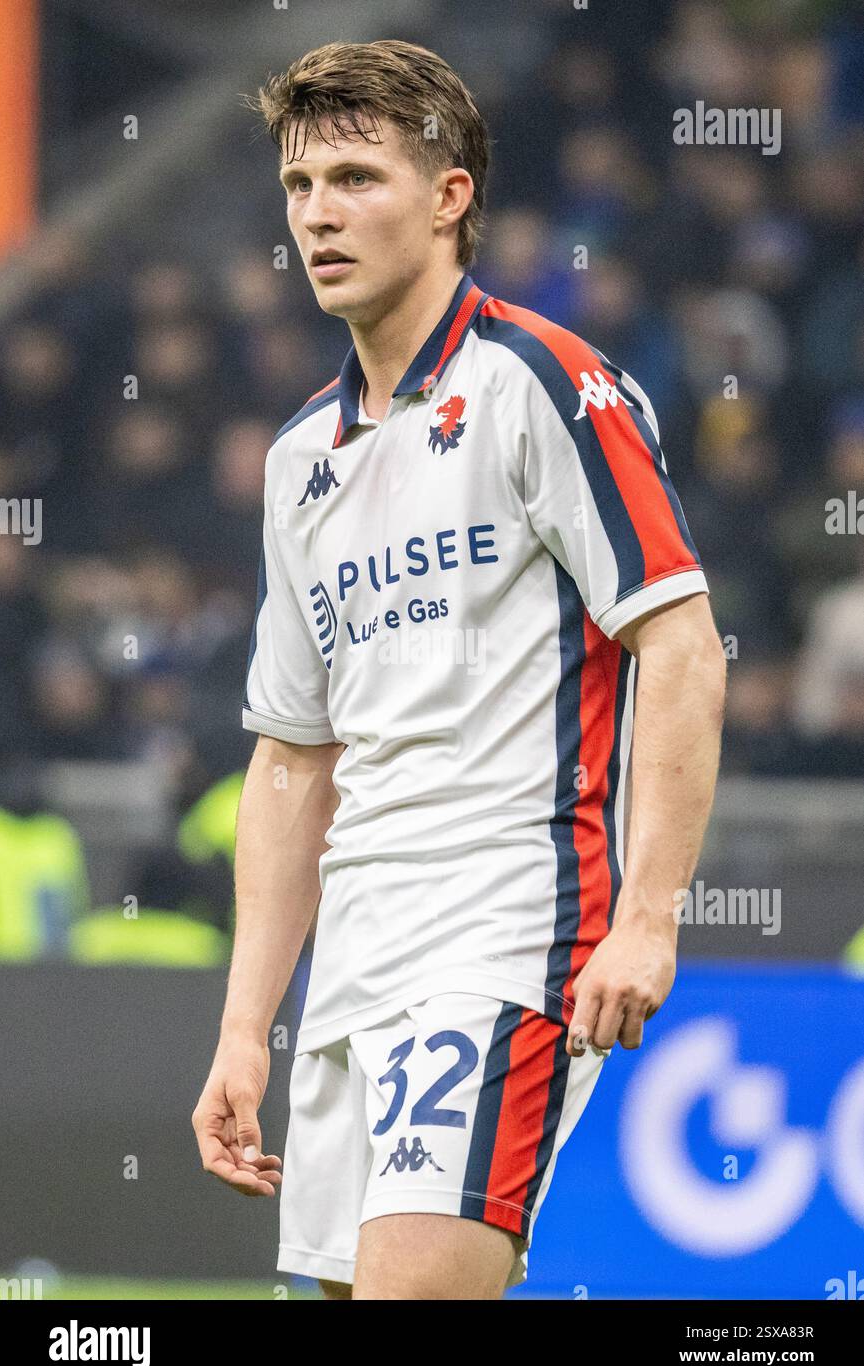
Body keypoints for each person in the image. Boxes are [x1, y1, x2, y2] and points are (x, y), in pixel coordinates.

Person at [192, 39, 726, 1301]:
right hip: (354, 959)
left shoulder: (543, 380)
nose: (318, 213)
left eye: (358, 177)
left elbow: (680, 642)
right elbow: (289, 759)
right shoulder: (298, 460)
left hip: (506, 924)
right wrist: (241, 1029)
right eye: (299, 183)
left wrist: (648, 917)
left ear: (449, 197)